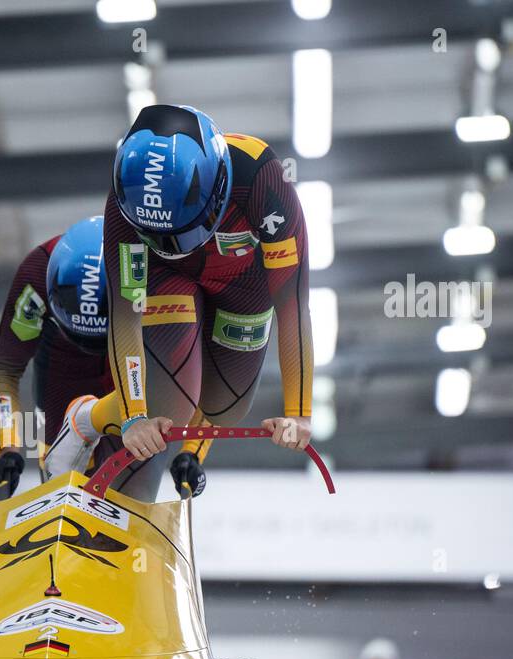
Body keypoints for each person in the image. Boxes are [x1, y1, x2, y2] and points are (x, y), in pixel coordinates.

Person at [44, 104, 314, 501]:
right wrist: (135, 416)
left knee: (226, 408)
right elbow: (126, 316)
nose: (174, 245)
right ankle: (87, 418)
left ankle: (146, 421)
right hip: (166, 276)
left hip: (244, 280)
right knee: (169, 407)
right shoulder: (124, 206)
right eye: (159, 233)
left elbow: (292, 304)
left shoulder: (262, 182)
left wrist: (300, 411)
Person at [0, 217, 112, 496]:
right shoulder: (35, 278)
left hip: (123, 373)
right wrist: (8, 447)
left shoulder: (146, 271)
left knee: (123, 482)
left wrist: (191, 449)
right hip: (60, 382)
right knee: (60, 484)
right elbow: (5, 369)